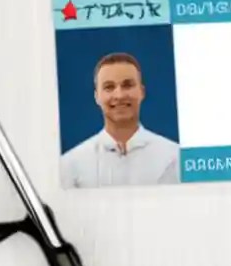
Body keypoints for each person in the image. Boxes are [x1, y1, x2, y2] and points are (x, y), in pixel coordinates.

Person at [60, 52, 180, 188]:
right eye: (109, 87)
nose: (119, 95)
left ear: (142, 92)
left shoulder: (174, 158)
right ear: (97, 97)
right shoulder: (70, 166)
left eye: (127, 85)